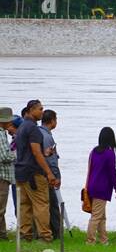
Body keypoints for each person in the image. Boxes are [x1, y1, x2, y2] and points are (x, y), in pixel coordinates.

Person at [15, 100, 57, 243]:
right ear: (31, 110)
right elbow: (35, 152)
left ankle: (25, 234)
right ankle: (45, 236)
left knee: (25, 205)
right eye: (40, 109)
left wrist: (45, 153)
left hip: (20, 171)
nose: (42, 112)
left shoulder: (21, 127)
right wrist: (49, 172)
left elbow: (28, 151)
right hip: (34, 173)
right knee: (41, 204)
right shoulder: (33, 129)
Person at [84, 127, 116, 245]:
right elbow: (112, 172)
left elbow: (90, 168)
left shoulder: (94, 151)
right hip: (102, 188)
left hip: (91, 186)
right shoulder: (109, 153)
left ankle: (104, 240)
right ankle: (90, 240)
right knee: (96, 216)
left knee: (101, 216)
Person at [39, 109, 63, 239]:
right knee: (53, 205)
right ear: (52, 121)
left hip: (39, 174)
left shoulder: (38, 133)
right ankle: (55, 233)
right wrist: (56, 176)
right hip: (48, 176)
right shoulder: (47, 137)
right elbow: (51, 160)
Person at [0, 107, 16, 240]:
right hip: (2, 176)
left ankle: (3, 235)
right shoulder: (0, 134)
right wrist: (16, 153)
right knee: (1, 208)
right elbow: (4, 156)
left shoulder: (3, 133)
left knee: (2, 208)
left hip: (3, 175)